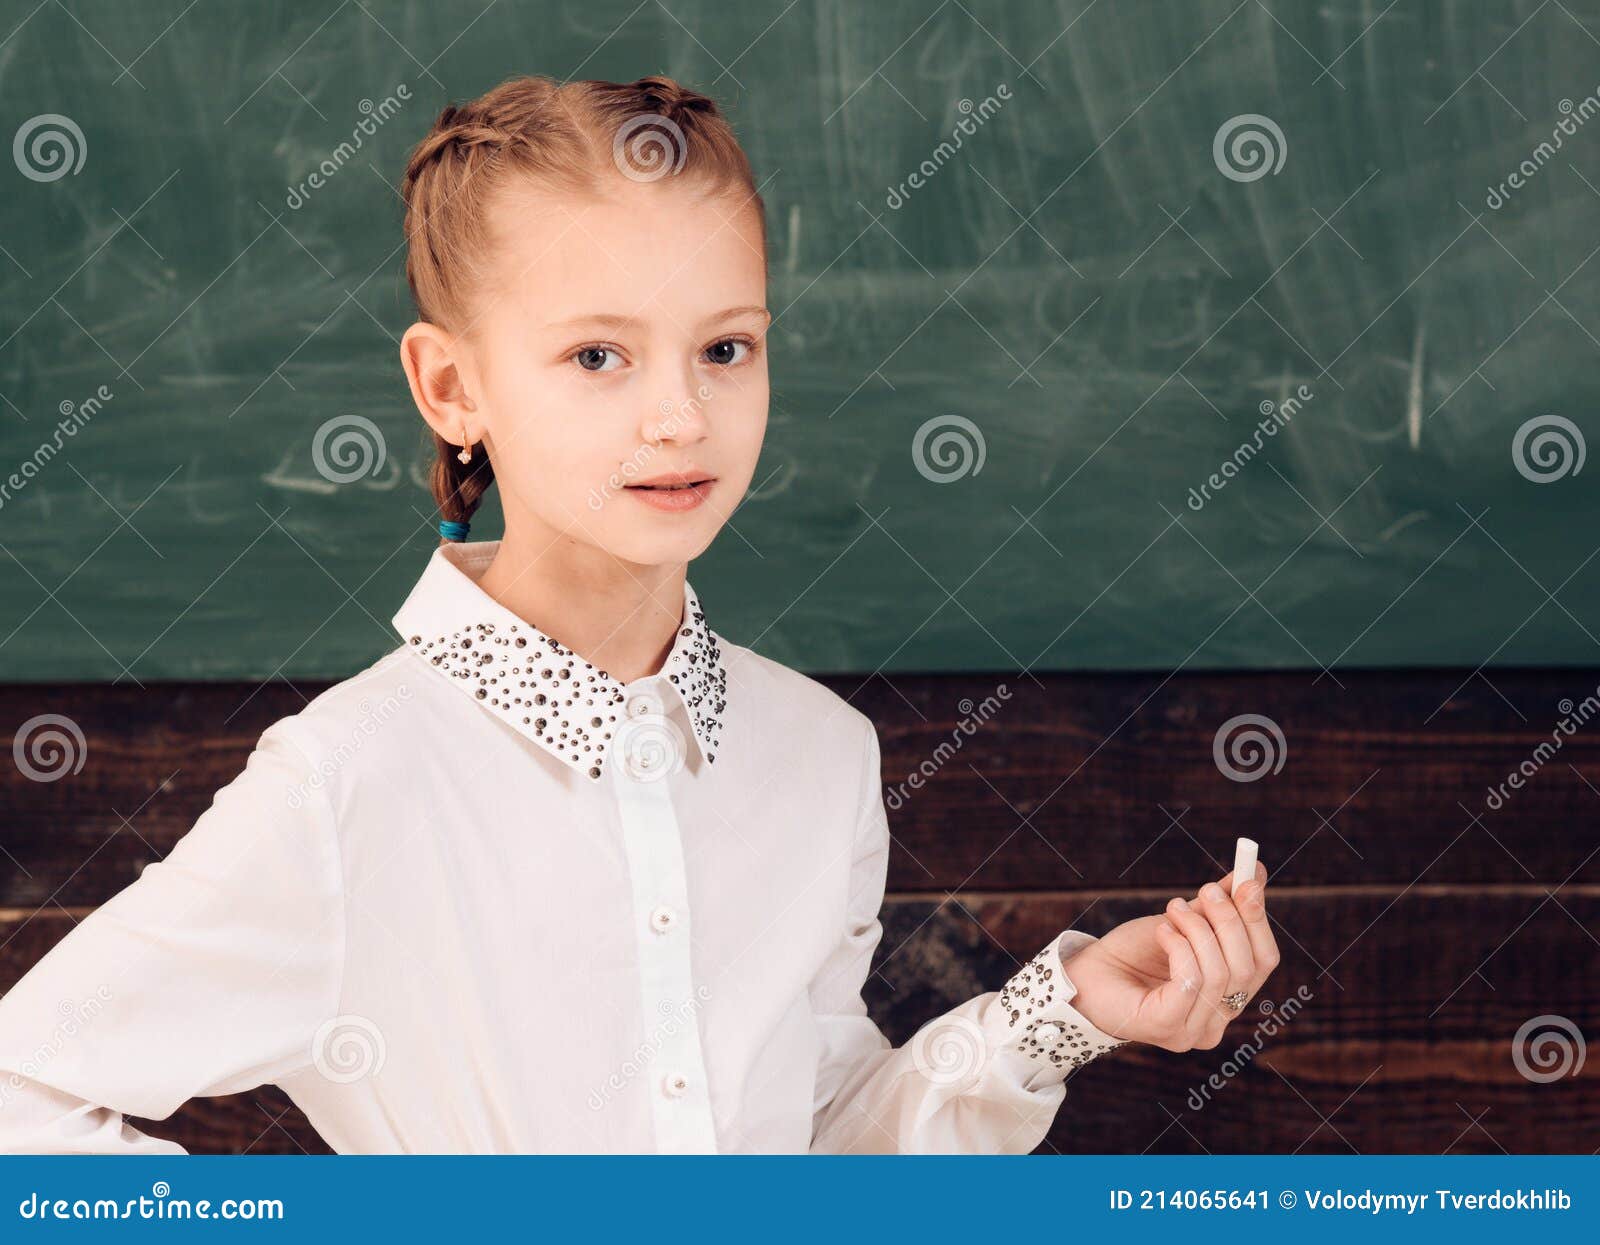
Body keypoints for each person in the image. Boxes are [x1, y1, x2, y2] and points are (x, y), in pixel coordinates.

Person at [0, 73, 1277, 1154]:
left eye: (724, 348)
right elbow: (25, 1091)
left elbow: (821, 1149)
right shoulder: (354, 781)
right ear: (451, 385)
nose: (679, 415)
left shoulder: (817, 753)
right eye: (597, 356)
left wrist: (1064, 1013)